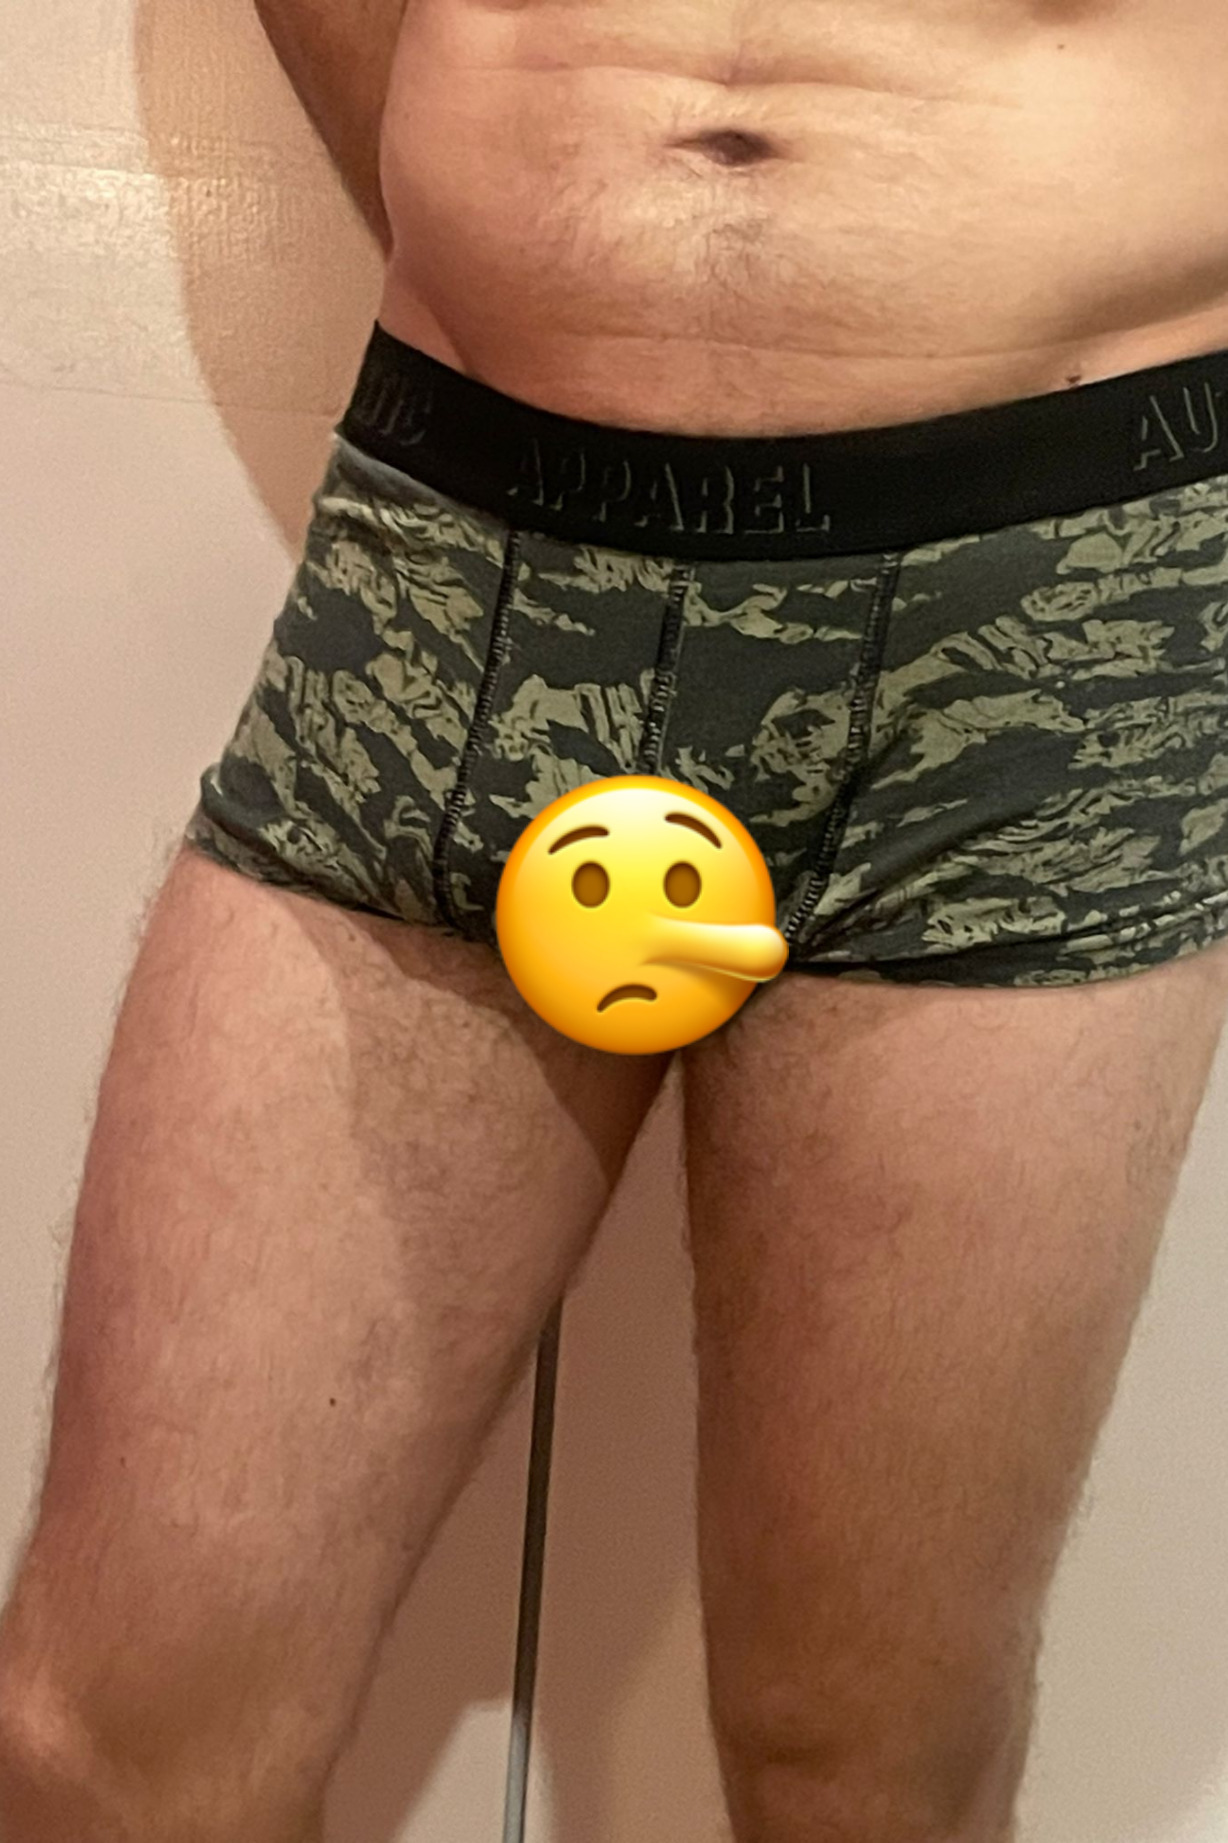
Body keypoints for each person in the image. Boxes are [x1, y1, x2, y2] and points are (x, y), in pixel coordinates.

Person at [4, 2, 1228, 1838]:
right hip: (459, 538)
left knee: (858, 1765)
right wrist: (545, 255)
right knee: (101, 1741)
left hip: (1037, 580)